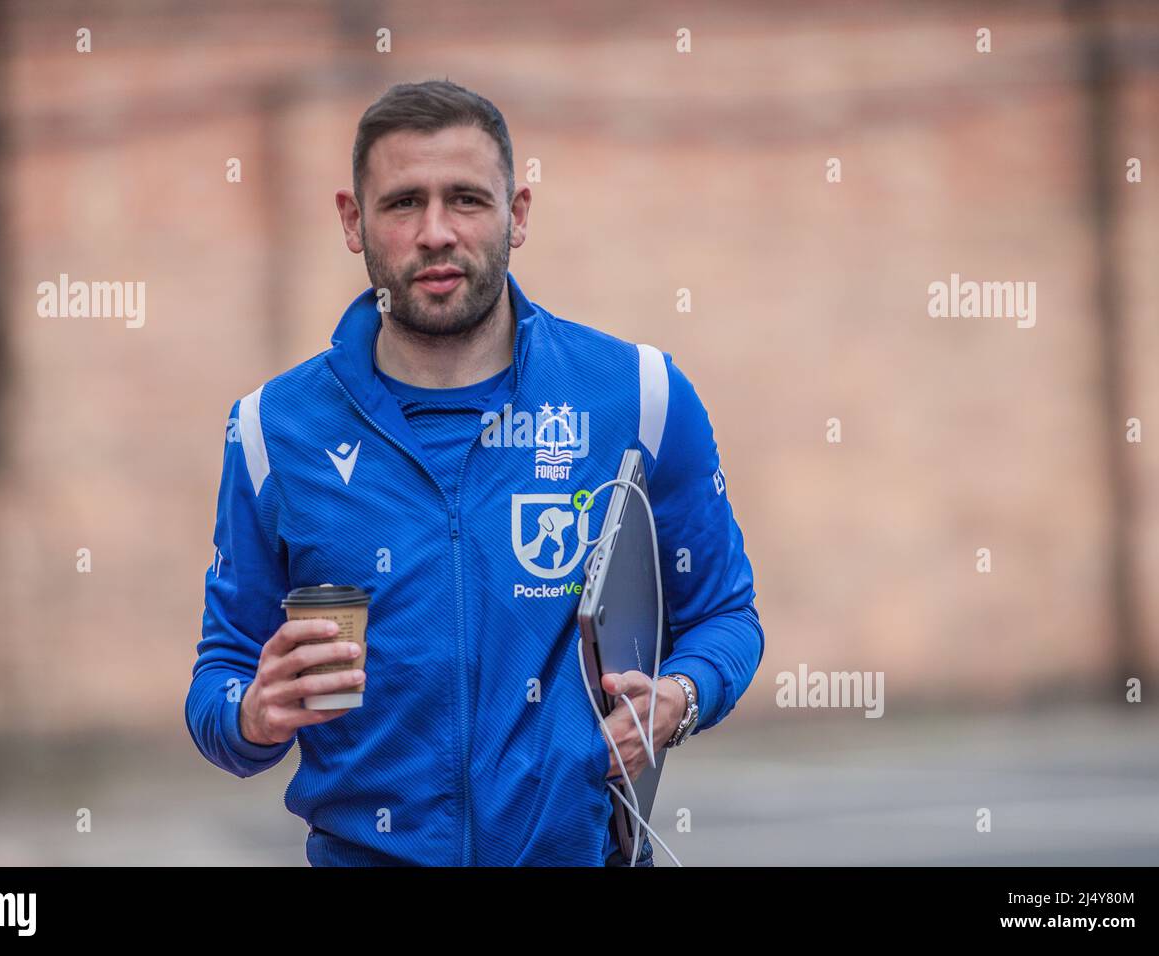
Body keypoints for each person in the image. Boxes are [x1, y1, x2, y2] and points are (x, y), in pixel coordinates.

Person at [184, 79, 765, 866]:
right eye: (401, 204)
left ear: (517, 214)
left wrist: (683, 697)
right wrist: (252, 714)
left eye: (465, 199)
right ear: (353, 222)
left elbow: (727, 615)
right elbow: (219, 678)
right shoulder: (270, 431)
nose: (435, 233)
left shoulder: (640, 396)